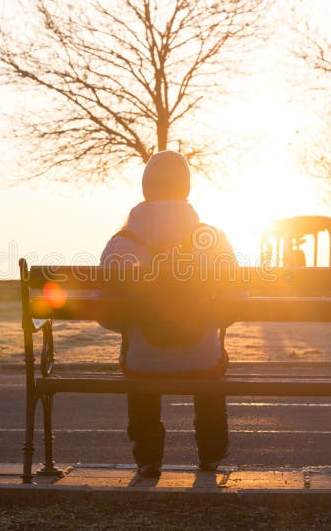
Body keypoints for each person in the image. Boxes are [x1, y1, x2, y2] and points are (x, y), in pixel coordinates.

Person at [99, 150, 235, 478]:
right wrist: (212, 322)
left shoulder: (120, 244)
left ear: (146, 189)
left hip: (142, 359)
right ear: (186, 189)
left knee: (138, 358)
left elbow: (105, 312)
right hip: (202, 357)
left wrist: (132, 327)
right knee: (212, 360)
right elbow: (235, 302)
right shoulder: (213, 240)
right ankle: (211, 452)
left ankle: (148, 457)